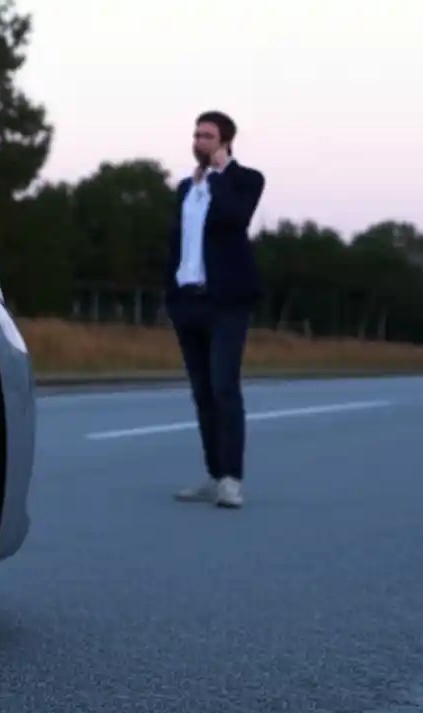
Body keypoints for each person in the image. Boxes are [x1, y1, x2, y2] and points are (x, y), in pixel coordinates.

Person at [165, 110, 266, 509]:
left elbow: (236, 219)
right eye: (196, 134)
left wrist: (220, 175)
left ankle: (232, 480)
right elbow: (179, 243)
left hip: (226, 303)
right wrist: (170, 294)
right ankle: (212, 473)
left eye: (207, 136)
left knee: (225, 389)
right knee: (202, 392)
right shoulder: (185, 188)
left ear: (224, 141)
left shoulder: (246, 180)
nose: (198, 141)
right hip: (187, 302)